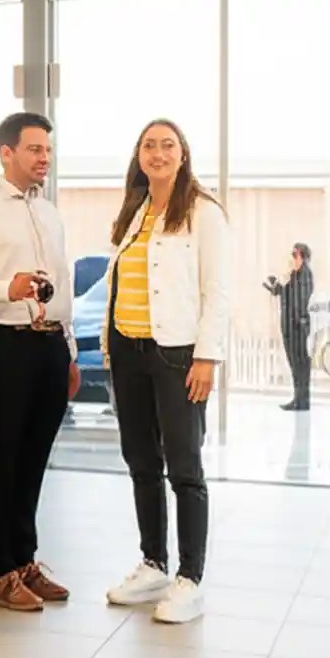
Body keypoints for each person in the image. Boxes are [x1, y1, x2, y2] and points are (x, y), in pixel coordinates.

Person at [99, 118, 232, 624]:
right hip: (127, 352)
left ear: (183, 154)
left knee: (184, 466)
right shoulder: (136, 211)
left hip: (177, 355)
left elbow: (217, 290)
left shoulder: (203, 212)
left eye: (167, 145)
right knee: (140, 461)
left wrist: (206, 356)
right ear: (138, 155)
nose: (157, 153)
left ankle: (190, 577)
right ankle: (154, 562)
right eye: (148, 145)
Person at [0, 111, 81, 613]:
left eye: (47, 150)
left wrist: (67, 351)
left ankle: (24, 560)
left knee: (33, 461)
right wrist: (8, 287)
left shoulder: (49, 213)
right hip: (2, 345)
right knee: (0, 459)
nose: (44, 158)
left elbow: (62, 287)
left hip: (49, 347)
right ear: (7, 153)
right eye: (34, 150)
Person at [262, 243, 314, 410]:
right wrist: (274, 286)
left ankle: (302, 400)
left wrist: (299, 320)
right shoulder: (293, 274)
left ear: (301, 256)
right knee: (294, 364)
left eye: (294, 254)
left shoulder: (304, 274)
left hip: (297, 326)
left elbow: (301, 298)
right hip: (290, 325)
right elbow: (285, 293)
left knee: (300, 364)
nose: (291, 258)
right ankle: (298, 399)